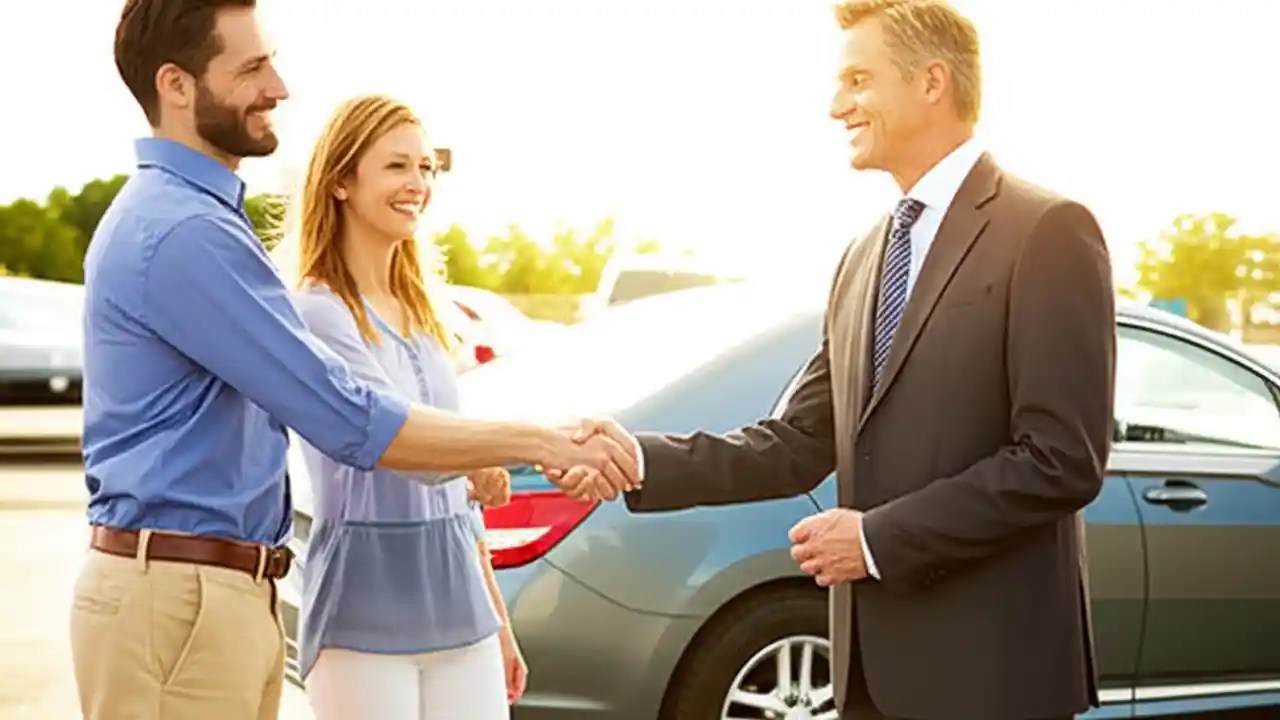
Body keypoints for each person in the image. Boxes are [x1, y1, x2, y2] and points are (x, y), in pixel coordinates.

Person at [73, 2, 635, 719]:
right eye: (251, 68)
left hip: (209, 593)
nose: (278, 86)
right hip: (181, 597)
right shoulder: (184, 233)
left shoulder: (200, 220)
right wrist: (543, 441)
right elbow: (350, 419)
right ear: (176, 85)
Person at [565, 1, 1115, 718]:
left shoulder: (1046, 230)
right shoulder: (863, 257)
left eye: (858, 80)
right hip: (868, 679)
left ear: (932, 82)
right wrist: (639, 457)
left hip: (993, 678)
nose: (836, 106)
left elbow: (1060, 459)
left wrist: (877, 539)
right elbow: (797, 443)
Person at [284, 94, 524, 719]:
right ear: (340, 181)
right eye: (396, 166)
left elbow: (458, 497)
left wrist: (496, 615)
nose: (418, 183)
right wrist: (499, 450)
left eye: (426, 167)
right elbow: (403, 447)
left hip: (459, 604)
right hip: (364, 608)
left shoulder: (425, 311)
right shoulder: (318, 314)